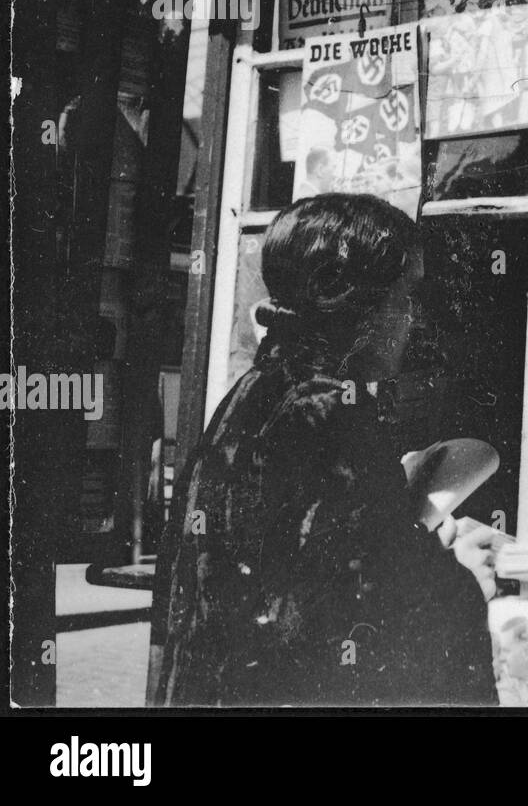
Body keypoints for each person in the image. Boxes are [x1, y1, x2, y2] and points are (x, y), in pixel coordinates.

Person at [155, 194, 499, 706]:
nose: (413, 320)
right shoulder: (333, 409)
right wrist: (463, 578)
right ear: (346, 298)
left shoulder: (256, 388)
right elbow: (364, 606)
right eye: (404, 297)